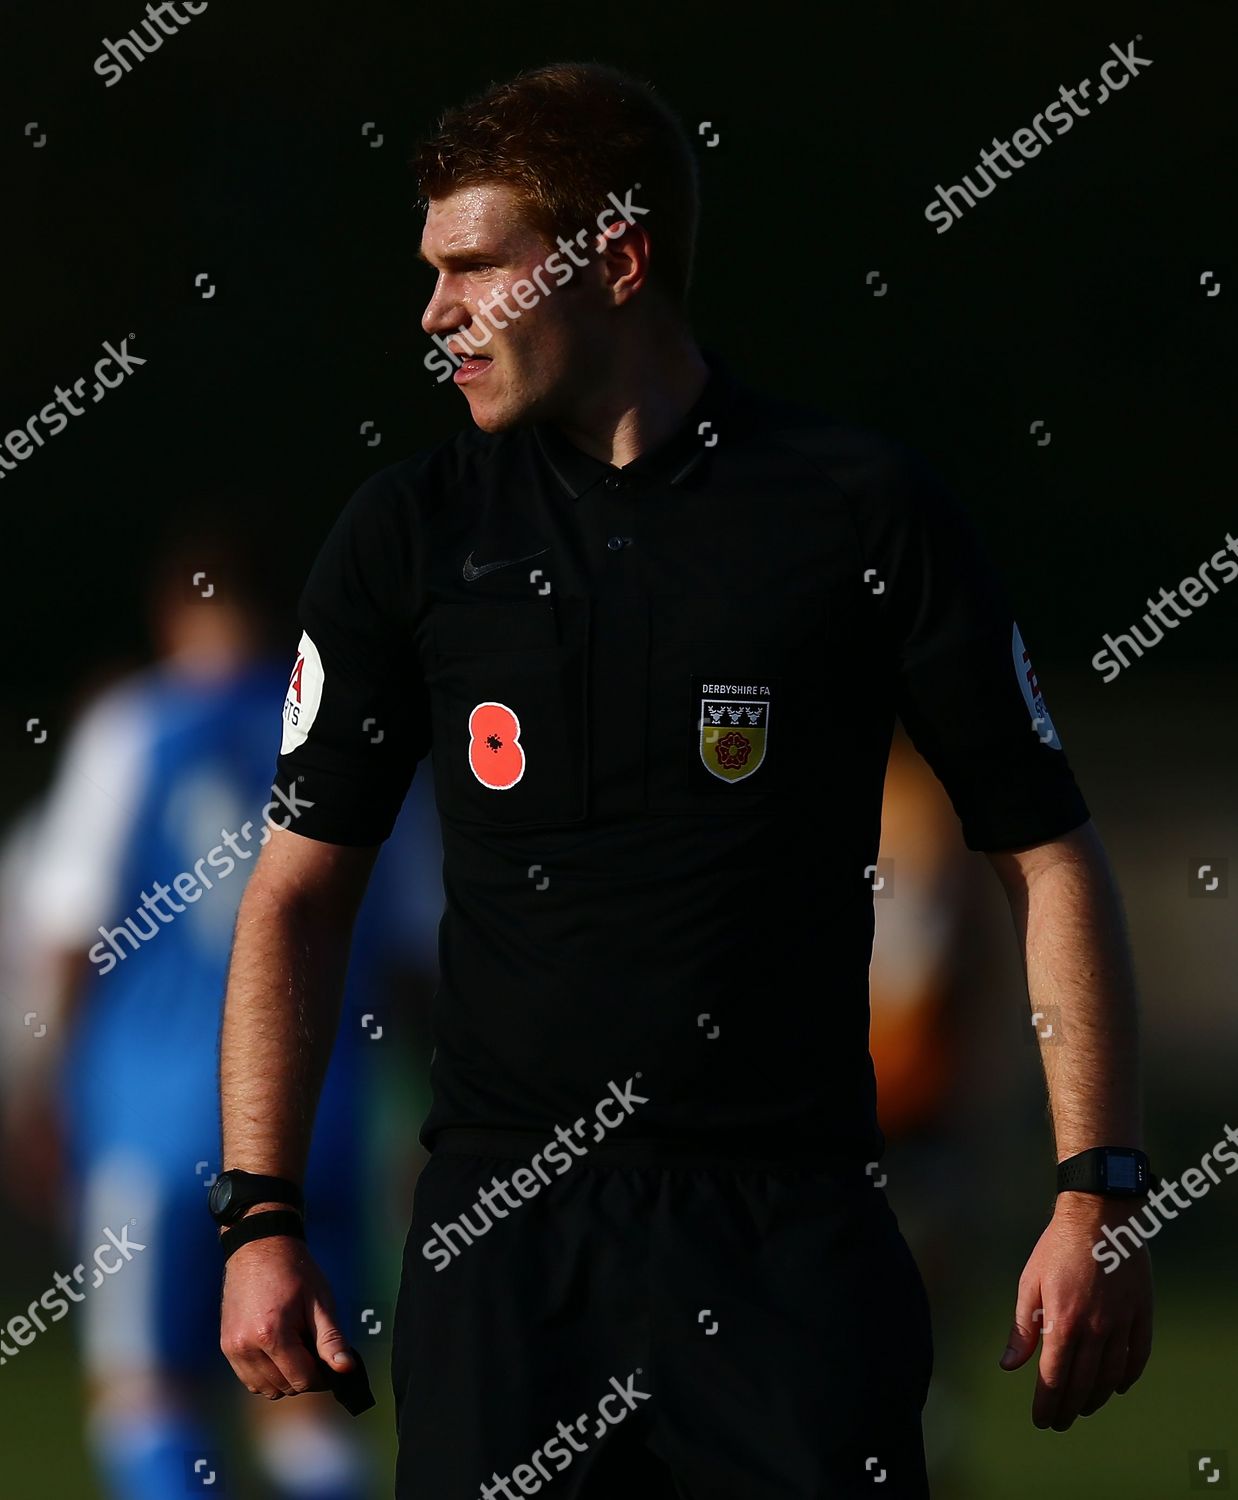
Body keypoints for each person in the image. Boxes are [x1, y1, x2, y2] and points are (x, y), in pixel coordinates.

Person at [216, 63, 1153, 1498]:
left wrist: (1097, 1193)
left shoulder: (855, 509)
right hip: (505, 1247)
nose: (434, 314)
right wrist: (260, 1219)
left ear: (617, 258)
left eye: (475, 267)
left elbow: (1047, 855)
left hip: (791, 1248)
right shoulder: (409, 533)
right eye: (429, 270)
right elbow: (293, 895)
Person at [11, 531, 430, 1500]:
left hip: (152, 1119)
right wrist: (418, 1104)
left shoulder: (133, 724)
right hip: (320, 1117)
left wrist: (45, 1085)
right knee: (304, 1390)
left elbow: (71, 928)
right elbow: (415, 948)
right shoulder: (359, 725)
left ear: (168, 615)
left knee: (145, 1393)